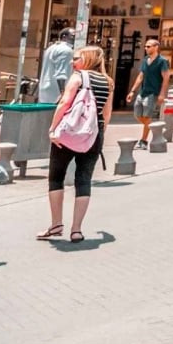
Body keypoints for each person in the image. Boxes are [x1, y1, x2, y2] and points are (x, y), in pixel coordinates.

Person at [40, 45, 113, 243]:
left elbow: (65, 103)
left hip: (68, 133)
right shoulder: (108, 81)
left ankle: (56, 224)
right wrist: (99, 134)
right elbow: (106, 113)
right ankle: (76, 229)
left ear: (87, 59)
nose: (73, 62)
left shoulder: (78, 77)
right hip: (93, 134)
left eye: (77, 58)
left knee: (56, 177)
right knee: (84, 179)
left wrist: (53, 128)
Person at [126, 38, 170, 150]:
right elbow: (141, 76)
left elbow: (166, 78)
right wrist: (132, 91)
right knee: (137, 115)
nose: (146, 48)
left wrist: (162, 94)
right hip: (143, 92)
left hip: (153, 93)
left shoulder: (162, 61)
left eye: (148, 46)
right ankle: (156, 128)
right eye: (145, 46)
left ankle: (144, 141)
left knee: (147, 116)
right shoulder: (145, 60)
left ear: (156, 47)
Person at [37, 28, 76, 104]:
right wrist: (63, 93)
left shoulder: (51, 48)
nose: (75, 38)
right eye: (73, 35)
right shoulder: (66, 50)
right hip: (56, 91)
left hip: (46, 89)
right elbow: (61, 74)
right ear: (64, 36)